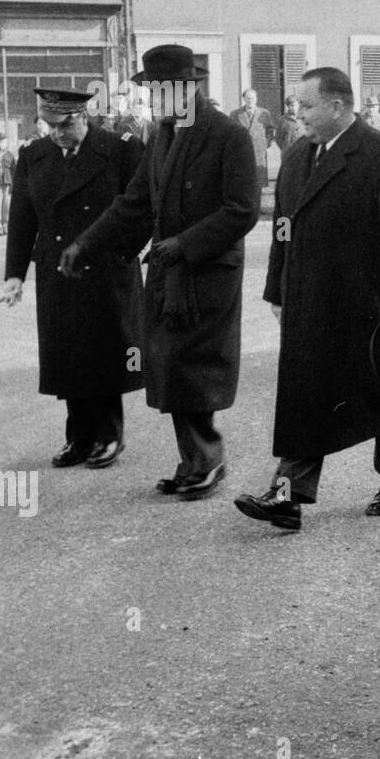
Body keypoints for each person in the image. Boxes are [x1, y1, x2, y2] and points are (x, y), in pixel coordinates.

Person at [233, 68, 380, 531]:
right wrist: (277, 288)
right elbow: (284, 229)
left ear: (338, 107)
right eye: (296, 105)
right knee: (305, 397)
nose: (296, 113)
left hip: (370, 303)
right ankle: (287, 497)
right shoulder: (300, 155)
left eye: (306, 106)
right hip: (310, 302)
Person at [59, 45, 260, 499]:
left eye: (156, 90)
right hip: (172, 273)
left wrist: (185, 244)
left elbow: (242, 209)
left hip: (206, 271)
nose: (151, 99)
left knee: (195, 366)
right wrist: (85, 243)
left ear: (185, 88)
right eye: (149, 90)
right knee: (170, 364)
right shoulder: (162, 137)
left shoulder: (228, 135)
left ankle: (208, 459)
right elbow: (134, 204)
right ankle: (195, 460)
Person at [1, 89, 146, 469]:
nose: (56, 134)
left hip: (105, 269)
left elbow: (141, 208)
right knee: (67, 353)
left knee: (106, 351)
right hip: (58, 271)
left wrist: (124, 252)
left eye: (64, 125)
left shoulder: (120, 149)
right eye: (49, 126)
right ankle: (78, 437)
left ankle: (109, 435)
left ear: (84, 116)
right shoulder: (33, 156)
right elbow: (22, 218)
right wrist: (15, 275)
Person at [231, 88, 273, 189]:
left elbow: (270, 130)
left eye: (253, 98)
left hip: (259, 150)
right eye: (248, 98)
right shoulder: (235, 114)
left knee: (258, 182)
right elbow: (231, 132)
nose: (251, 101)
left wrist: (266, 142)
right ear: (244, 99)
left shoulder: (264, 113)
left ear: (256, 99)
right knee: (244, 181)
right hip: (242, 151)